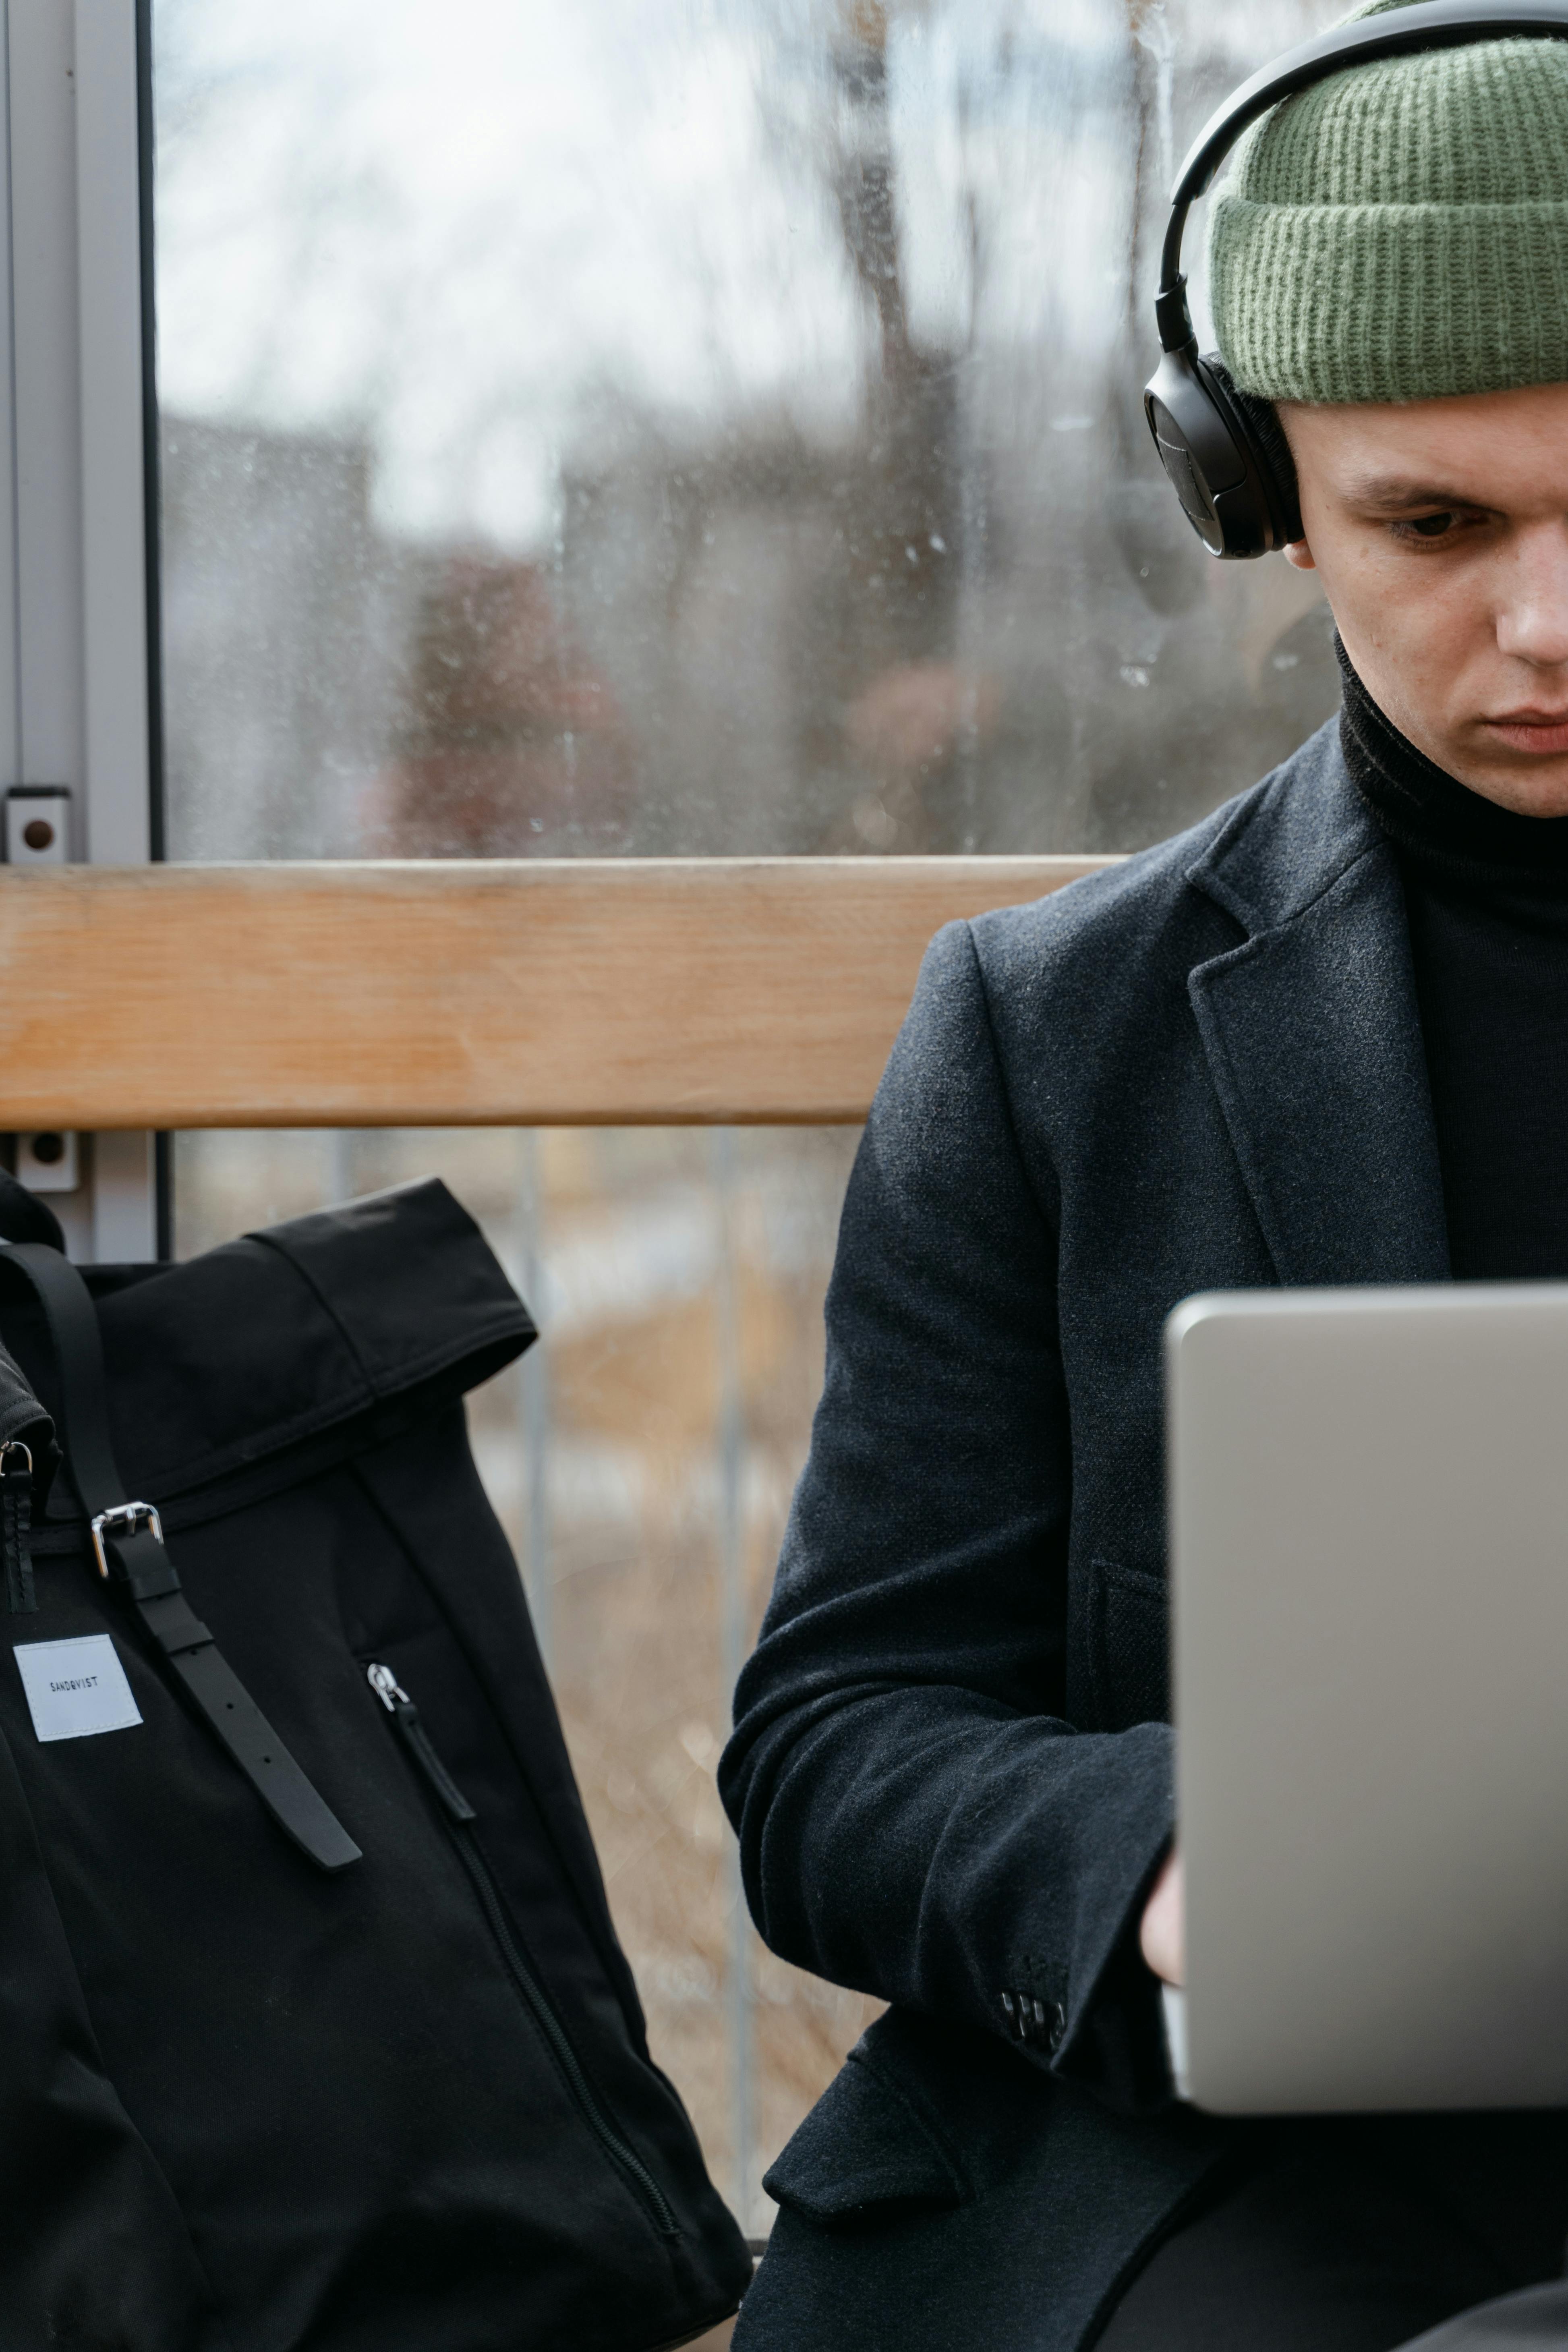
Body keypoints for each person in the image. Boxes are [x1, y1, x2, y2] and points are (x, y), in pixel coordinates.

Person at [719, 4, 1568, 2346]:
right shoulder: (1044, 1029)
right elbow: (833, 1750)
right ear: (1251, 489)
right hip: (1222, 2173)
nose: (1548, 629)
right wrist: (1193, 1872)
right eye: (1433, 521)